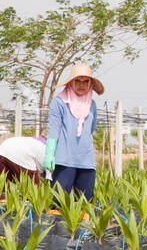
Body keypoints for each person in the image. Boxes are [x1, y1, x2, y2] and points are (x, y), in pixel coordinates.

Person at [44, 63, 103, 201]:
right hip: (65, 161)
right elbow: (54, 129)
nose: (81, 85)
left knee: (85, 202)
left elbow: (91, 129)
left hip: (86, 161)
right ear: (71, 82)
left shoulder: (92, 105)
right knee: (58, 202)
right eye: (77, 81)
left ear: (90, 84)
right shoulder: (60, 102)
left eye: (85, 81)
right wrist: (49, 154)